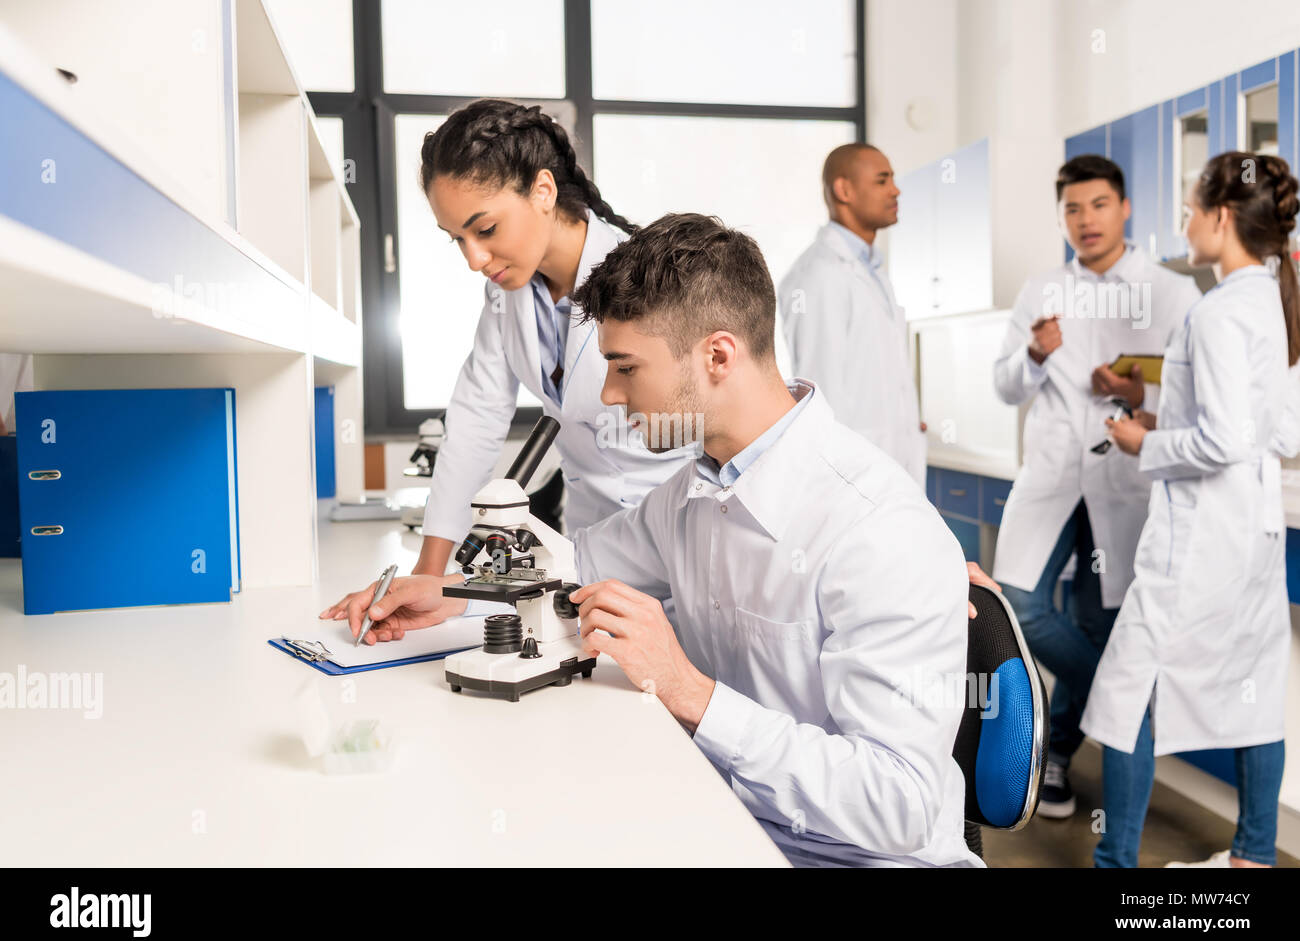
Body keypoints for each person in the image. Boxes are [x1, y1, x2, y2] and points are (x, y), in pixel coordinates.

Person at [338, 213, 983, 868]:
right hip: (723, 815)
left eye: (624, 366)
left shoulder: (877, 529)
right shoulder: (695, 489)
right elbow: (576, 565)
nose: (610, 395)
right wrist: (450, 592)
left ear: (718, 355)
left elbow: (901, 803)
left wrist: (689, 690)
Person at [320, 100, 691, 622]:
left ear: (543, 191)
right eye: (458, 240)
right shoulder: (509, 294)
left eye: (485, 230)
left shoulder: (650, 279)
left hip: (678, 544)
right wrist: (430, 576)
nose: (474, 260)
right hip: (584, 549)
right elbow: (474, 423)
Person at [1083, 152, 1300, 868]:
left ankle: (1115, 866)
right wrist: (1151, 402)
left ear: (1221, 215)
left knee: (1125, 692)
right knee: (1258, 686)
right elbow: (1283, 429)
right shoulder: (1273, 300)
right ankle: (1255, 854)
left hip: (1202, 537)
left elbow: (1224, 437)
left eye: (1188, 209)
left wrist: (1142, 438)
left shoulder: (1214, 313)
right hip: (1253, 530)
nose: (1183, 222)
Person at [991, 155, 1201, 817]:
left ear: (1126, 207)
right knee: (1019, 601)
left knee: (1105, 625)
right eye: (1073, 209)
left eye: (1099, 205)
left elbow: (1199, 396)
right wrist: (1033, 355)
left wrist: (1144, 391)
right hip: (1054, 472)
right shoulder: (1042, 287)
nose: (1086, 220)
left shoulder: (1171, 293)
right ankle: (1116, 696)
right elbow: (1003, 385)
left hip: (1127, 477)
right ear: (1062, 216)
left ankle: (1055, 757)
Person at [778, 143, 926, 487]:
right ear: (844, 190)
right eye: (882, 180)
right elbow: (821, 394)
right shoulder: (817, 275)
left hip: (889, 467)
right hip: (854, 478)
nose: (896, 190)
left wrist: (905, 421)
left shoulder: (871, 270)